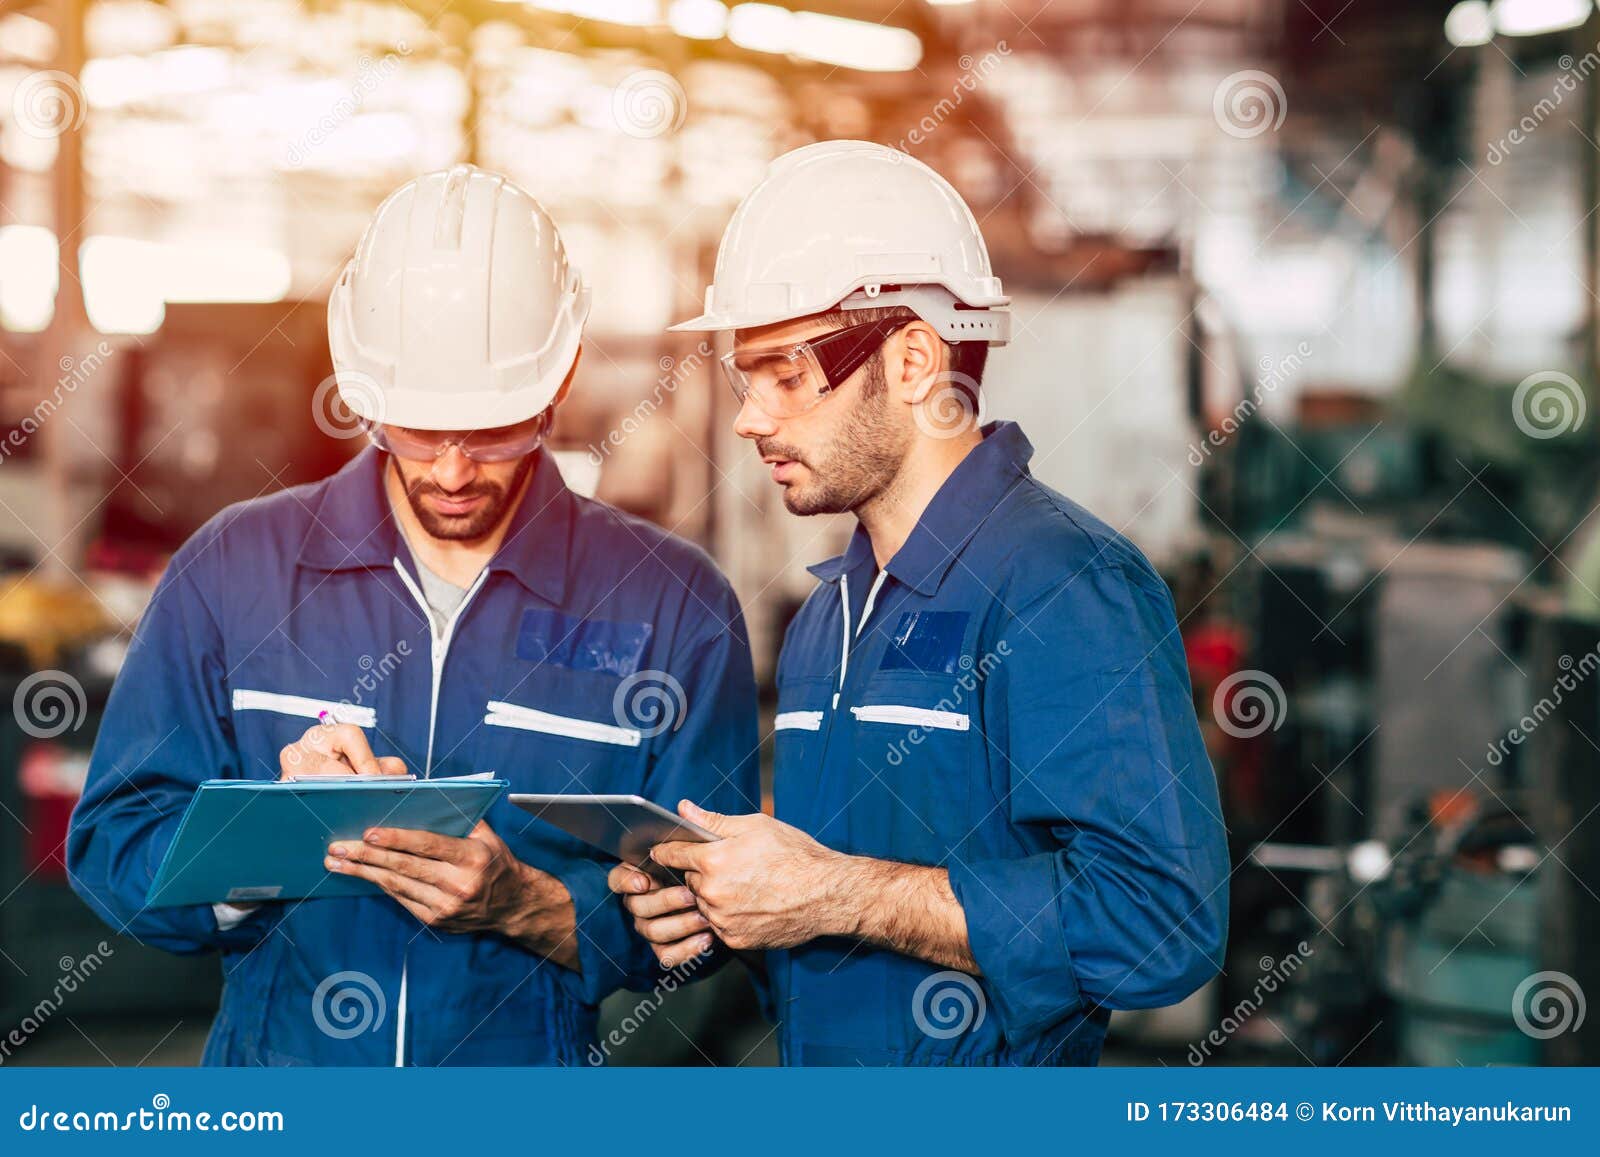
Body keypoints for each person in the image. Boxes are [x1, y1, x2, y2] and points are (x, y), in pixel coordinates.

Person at [67, 165, 758, 1066]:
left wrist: (533, 906)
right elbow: (112, 843)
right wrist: (267, 837)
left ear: (563, 378)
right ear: (361, 393)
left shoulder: (675, 604)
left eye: (499, 428)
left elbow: (715, 913)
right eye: (418, 428)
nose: (455, 470)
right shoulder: (233, 570)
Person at [610, 140, 1228, 1066]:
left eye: (786, 374)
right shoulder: (828, 619)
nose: (749, 417)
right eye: (747, 381)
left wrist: (841, 894)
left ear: (910, 362)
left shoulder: (1062, 585)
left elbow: (1161, 921)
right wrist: (721, 908)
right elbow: (829, 924)